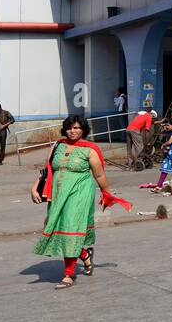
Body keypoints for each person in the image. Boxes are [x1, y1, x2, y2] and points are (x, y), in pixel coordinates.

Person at [31, 115, 124, 290]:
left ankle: (68, 273)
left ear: (83, 129)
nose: (72, 131)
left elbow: (99, 175)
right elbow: (47, 169)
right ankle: (85, 255)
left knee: (71, 228)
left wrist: (107, 193)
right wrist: (35, 187)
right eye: (69, 128)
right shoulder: (57, 145)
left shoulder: (90, 149)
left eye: (76, 128)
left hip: (80, 193)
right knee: (61, 227)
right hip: (59, 193)